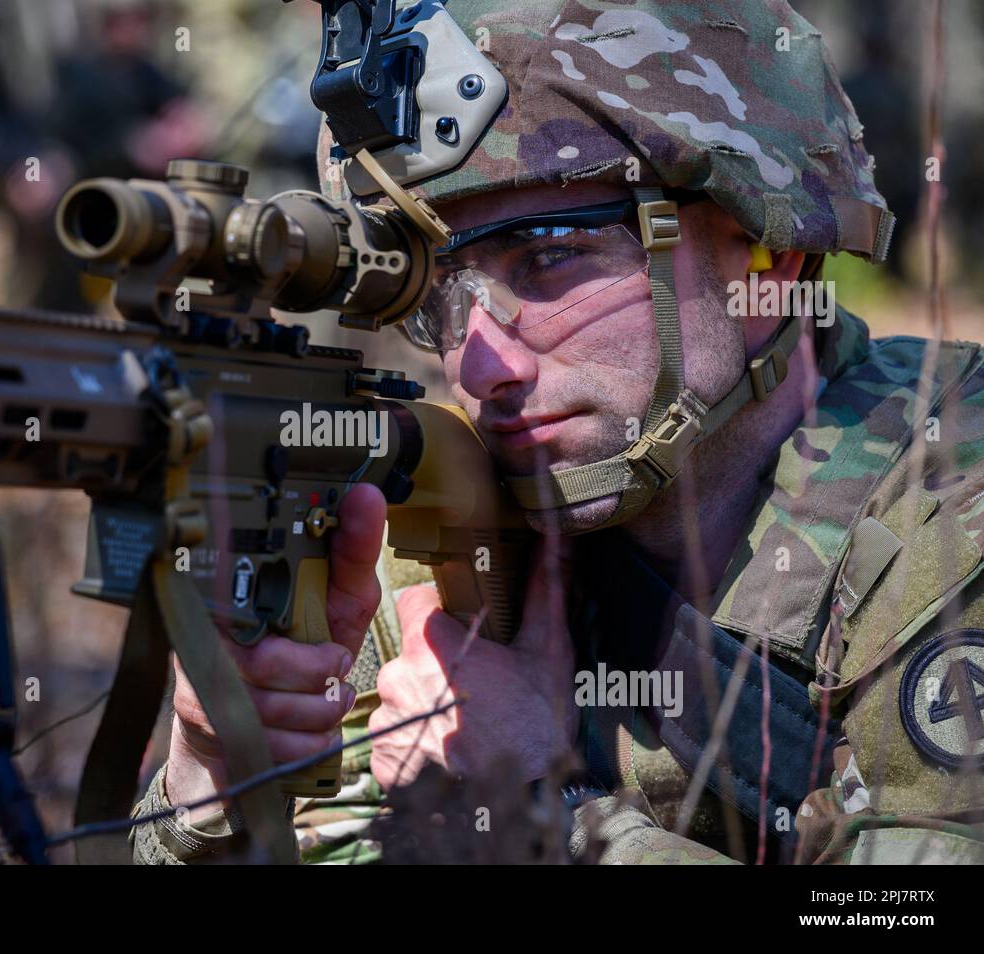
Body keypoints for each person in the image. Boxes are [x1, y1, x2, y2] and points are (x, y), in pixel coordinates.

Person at [132, 0, 984, 865]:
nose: (478, 366)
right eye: (436, 296)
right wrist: (212, 783)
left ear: (768, 249)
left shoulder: (951, 505)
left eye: (547, 257)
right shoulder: (434, 537)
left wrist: (553, 816)